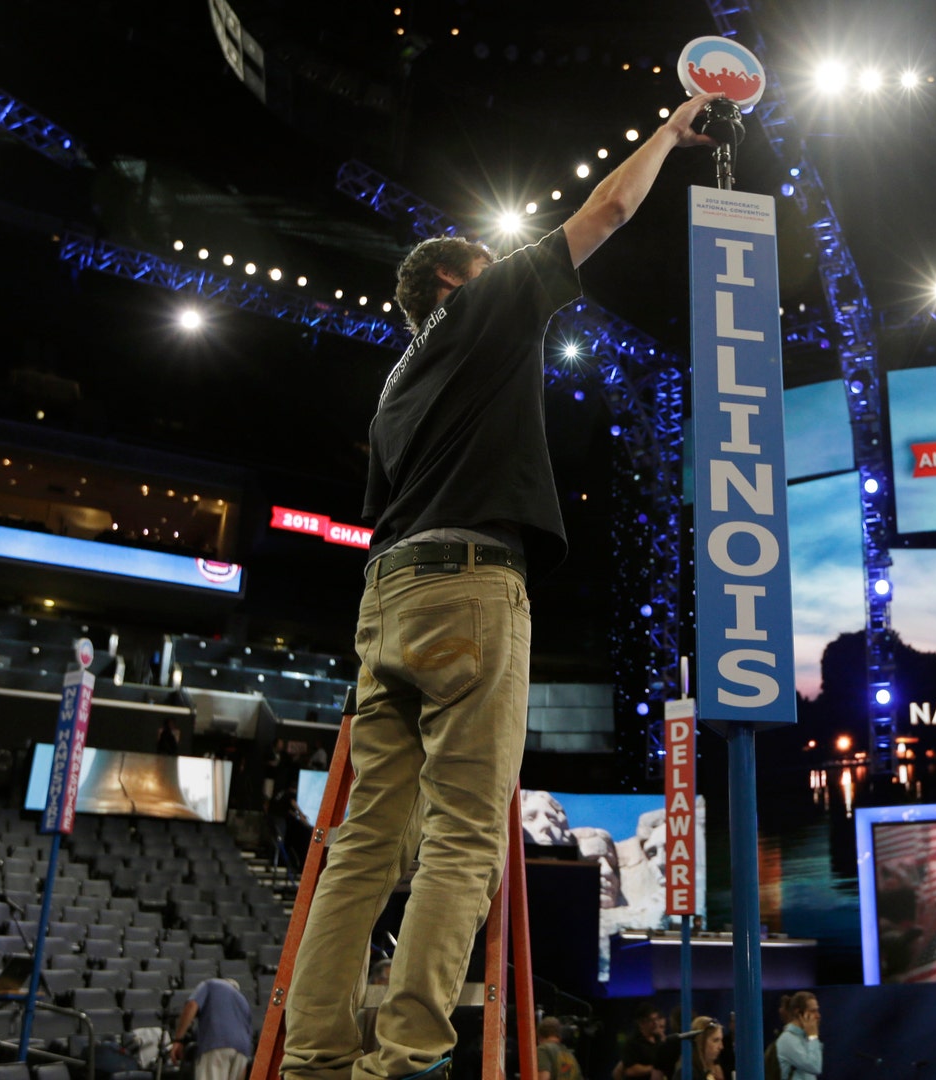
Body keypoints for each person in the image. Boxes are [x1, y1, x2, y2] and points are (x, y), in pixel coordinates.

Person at [280, 89, 725, 1080]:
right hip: (470, 591)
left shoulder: (395, 385)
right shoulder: (481, 308)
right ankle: (399, 1062)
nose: (501, 266)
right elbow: (605, 210)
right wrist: (668, 130)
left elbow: (382, 505)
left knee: (364, 848)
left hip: (384, 601)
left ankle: (314, 1060)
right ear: (452, 280)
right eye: (482, 259)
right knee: (468, 840)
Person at [172, 976, 254, 1080]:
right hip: (242, 1052)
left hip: (216, 1045)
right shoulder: (244, 1001)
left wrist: (178, 1039)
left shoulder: (210, 984)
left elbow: (192, 1005)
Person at [774, 992, 822, 1080]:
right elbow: (815, 1066)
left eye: (817, 1010)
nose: (818, 1016)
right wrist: (813, 1037)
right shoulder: (787, 1039)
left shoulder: (805, 1038)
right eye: (813, 1011)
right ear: (798, 1013)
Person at [619, 1002, 668, 1080]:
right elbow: (630, 1070)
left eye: (656, 1019)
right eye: (651, 1020)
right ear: (641, 1023)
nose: (656, 1023)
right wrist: (655, 1068)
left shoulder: (659, 1039)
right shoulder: (632, 1043)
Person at [689, 1016, 725, 1080]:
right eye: (715, 1040)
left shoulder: (717, 1070)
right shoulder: (687, 1073)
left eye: (721, 1040)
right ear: (700, 1042)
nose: (721, 1047)